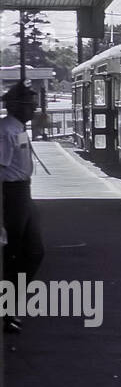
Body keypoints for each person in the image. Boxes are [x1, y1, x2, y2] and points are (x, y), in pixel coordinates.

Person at [1, 83, 44, 333]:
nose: (34, 108)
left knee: (34, 251)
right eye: (29, 105)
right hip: (11, 195)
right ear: (15, 106)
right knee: (13, 253)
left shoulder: (18, 128)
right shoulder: (6, 130)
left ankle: (11, 305)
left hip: (23, 192)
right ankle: (7, 312)